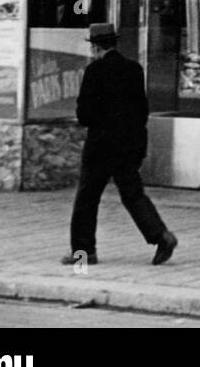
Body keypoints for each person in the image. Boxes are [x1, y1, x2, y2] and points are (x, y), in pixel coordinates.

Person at [64, 23, 177, 267]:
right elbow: (142, 110)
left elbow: (85, 114)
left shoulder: (94, 71)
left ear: (95, 47)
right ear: (114, 43)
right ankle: (161, 236)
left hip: (101, 146)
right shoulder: (133, 69)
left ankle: (84, 252)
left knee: (87, 198)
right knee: (133, 194)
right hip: (129, 144)